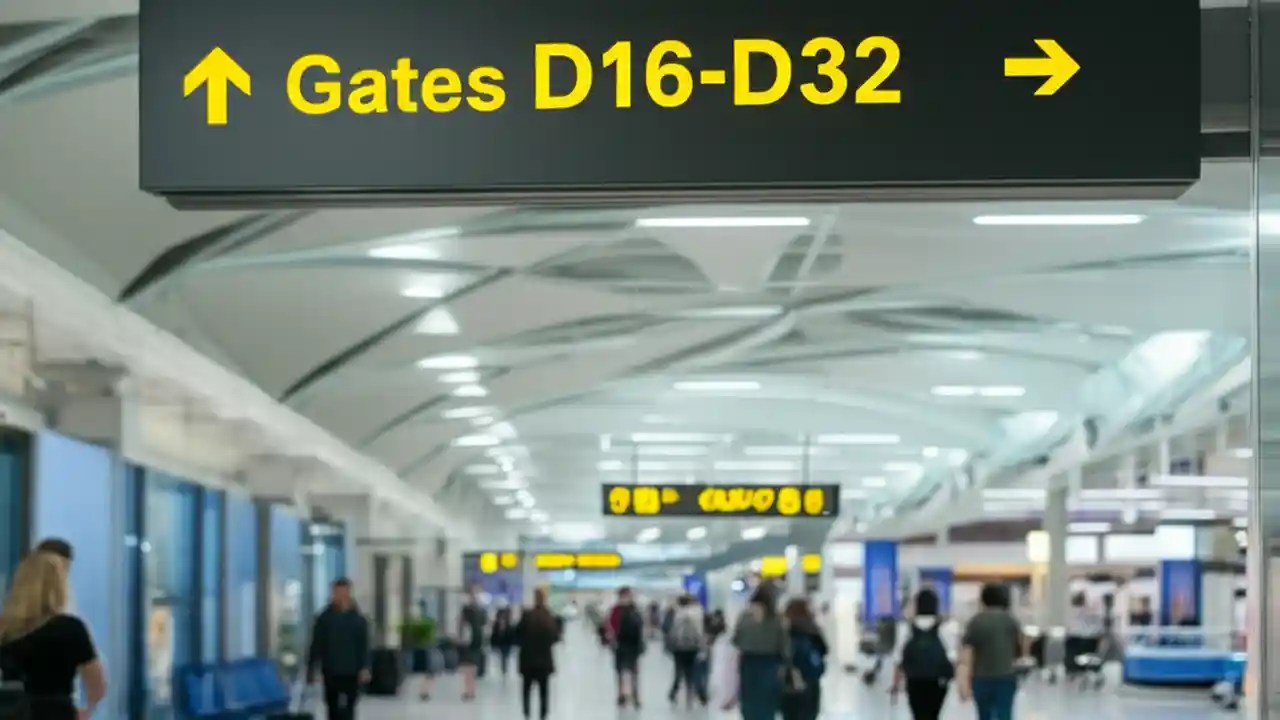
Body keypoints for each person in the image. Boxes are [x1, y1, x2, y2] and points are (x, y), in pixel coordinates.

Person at [0, 553, 106, 720]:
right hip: (58, 713)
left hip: (13, 713)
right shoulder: (71, 627)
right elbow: (97, 684)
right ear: (59, 586)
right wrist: (87, 710)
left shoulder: (4, 629)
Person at [956, 583, 1024, 720]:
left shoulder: (976, 621)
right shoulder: (1011, 621)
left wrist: (964, 679)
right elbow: (1019, 651)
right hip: (1006, 676)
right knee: (1005, 714)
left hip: (981, 678)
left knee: (984, 715)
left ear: (983, 599)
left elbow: (966, 653)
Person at [308, 578, 371, 720]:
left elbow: (364, 645)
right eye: (337, 592)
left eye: (343, 592)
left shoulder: (358, 620)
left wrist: (365, 667)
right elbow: (317, 644)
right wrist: (312, 669)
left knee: (349, 707)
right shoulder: (324, 619)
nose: (340, 596)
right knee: (332, 707)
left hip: (351, 670)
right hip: (331, 670)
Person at [892, 588, 956, 720]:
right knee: (933, 715)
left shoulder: (905, 628)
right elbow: (952, 657)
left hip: (914, 678)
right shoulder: (946, 627)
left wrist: (895, 684)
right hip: (938, 680)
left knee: (918, 715)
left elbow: (898, 659)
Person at [730, 584, 789, 720]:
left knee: (749, 700)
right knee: (767, 702)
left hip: (748, 662)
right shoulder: (777, 618)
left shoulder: (745, 616)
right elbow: (784, 644)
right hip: (770, 663)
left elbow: (736, 640)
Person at [516, 588, 562, 720]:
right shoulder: (548, 617)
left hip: (527, 659)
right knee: (544, 690)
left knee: (526, 689)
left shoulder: (526, 616)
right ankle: (543, 714)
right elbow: (555, 638)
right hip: (544, 660)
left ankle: (526, 713)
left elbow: (517, 634)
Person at [781, 597, 828, 720]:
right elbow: (824, 650)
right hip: (811, 682)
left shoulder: (785, 631)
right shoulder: (813, 630)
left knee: (791, 715)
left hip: (790, 682)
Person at [608, 586, 645, 708]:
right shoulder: (634, 610)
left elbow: (611, 627)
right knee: (630, 671)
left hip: (623, 644)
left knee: (623, 671)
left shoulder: (617, 610)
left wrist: (612, 639)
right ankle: (631, 696)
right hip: (629, 645)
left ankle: (624, 696)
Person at [667, 594, 706, 707]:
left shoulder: (677, 614)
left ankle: (674, 693)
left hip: (679, 647)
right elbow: (699, 631)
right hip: (693, 647)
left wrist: (671, 644)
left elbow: (672, 631)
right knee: (693, 671)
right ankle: (695, 694)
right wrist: (701, 645)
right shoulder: (697, 613)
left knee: (678, 670)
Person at [458, 585, 488, 701]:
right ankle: (468, 690)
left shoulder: (481, 611)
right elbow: (461, 624)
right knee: (468, 667)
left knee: (473, 668)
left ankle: (471, 690)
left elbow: (485, 625)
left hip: (477, 641)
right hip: (468, 642)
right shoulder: (466, 610)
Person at [491, 605, 517, 679]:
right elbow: (495, 633)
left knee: (505, 656)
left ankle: (504, 669)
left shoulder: (508, 623)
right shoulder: (497, 623)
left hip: (506, 642)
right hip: (500, 642)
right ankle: (503, 669)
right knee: (502, 656)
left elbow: (511, 633)